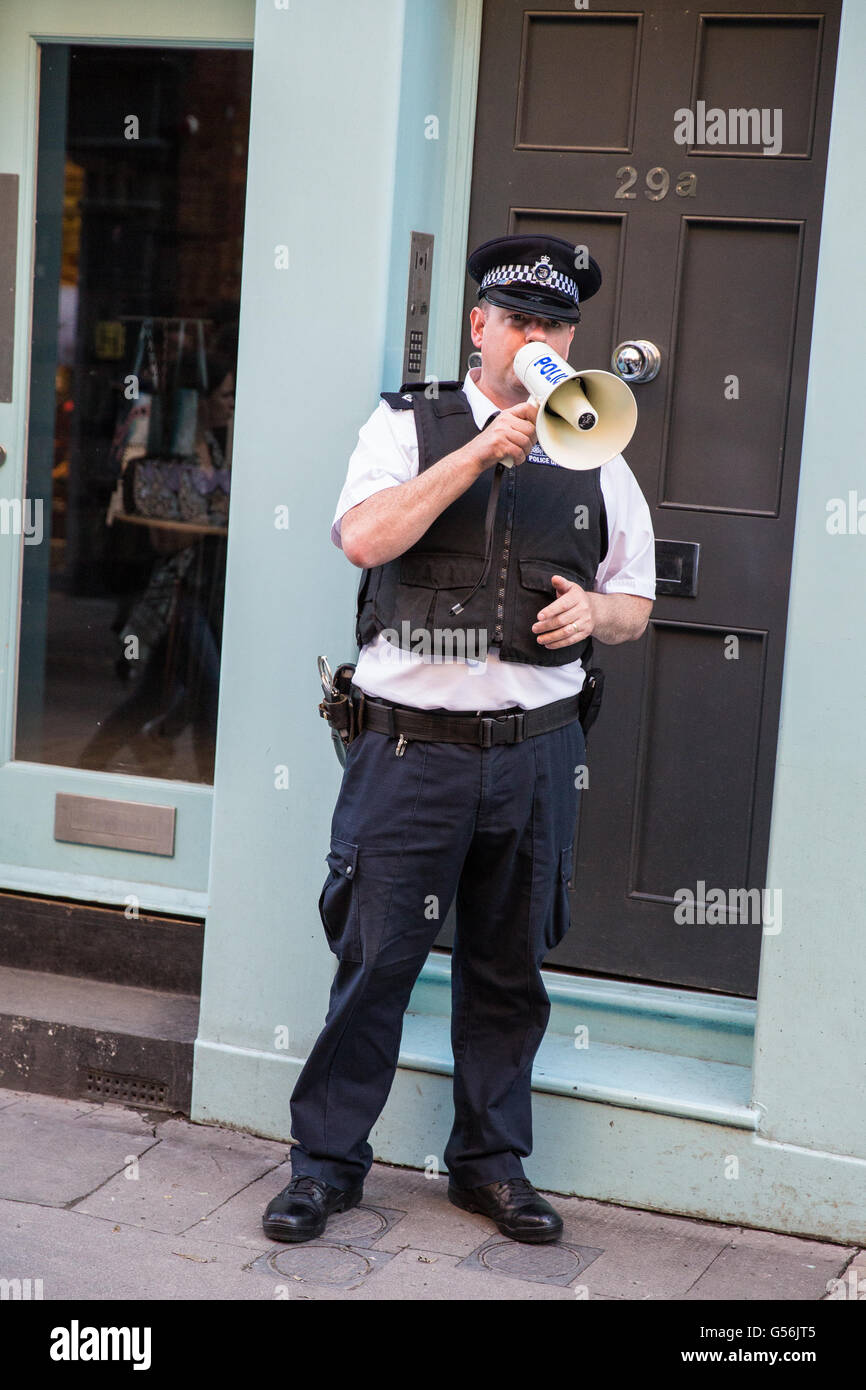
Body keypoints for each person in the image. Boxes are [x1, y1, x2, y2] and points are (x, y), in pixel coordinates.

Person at [263, 234, 656, 1246]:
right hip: (410, 755)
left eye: (556, 326)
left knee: (508, 968)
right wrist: (482, 449)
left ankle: (489, 1165)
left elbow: (636, 600)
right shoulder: (406, 426)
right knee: (375, 959)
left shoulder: (596, 449)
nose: (539, 339)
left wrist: (595, 619)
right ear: (478, 326)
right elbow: (362, 538)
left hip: (533, 757)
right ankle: (324, 1165)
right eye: (520, 322)